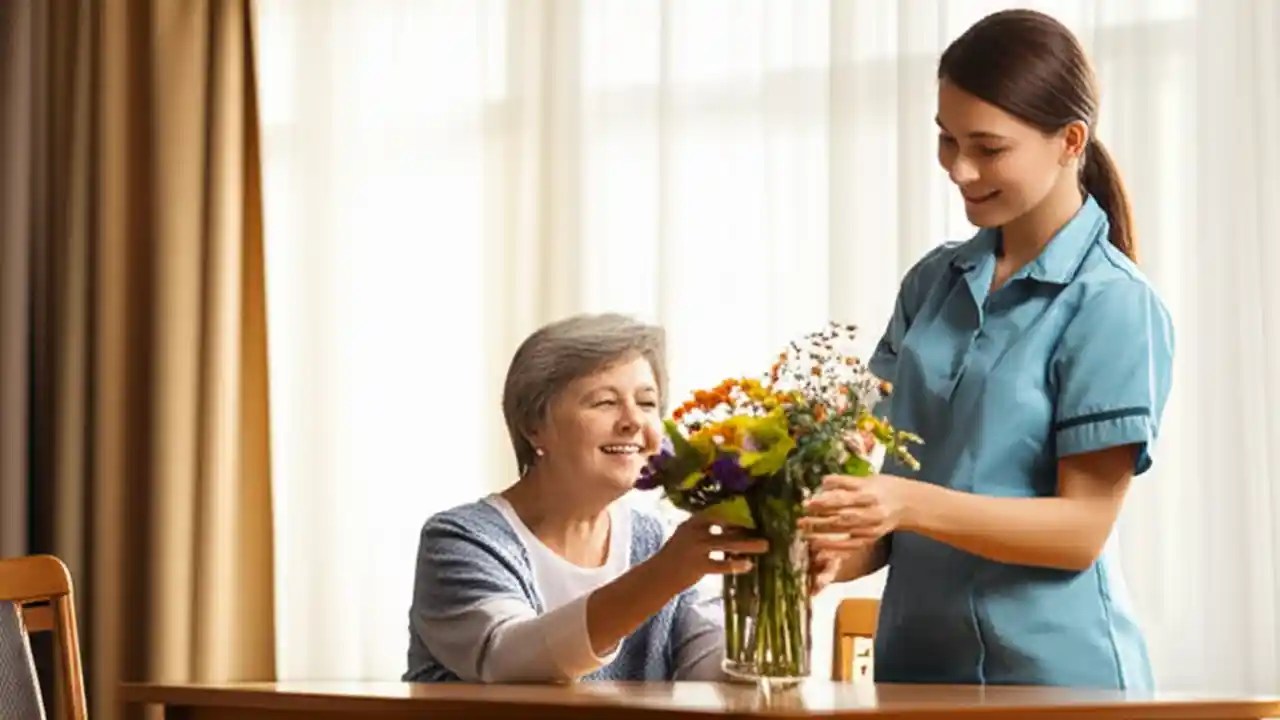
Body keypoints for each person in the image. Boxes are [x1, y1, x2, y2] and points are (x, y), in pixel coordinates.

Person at [802, 9, 1174, 690]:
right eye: (946, 140)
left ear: (1069, 141)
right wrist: (827, 552)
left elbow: (1080, 531)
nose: (961, 168)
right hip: (914, 676)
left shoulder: (1112, 303)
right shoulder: (932, 283)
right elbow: (889, 504)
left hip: (1059, 684)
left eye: (989, 146)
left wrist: (905, 503)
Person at [403, 313, 766, 683]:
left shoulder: (657, 541)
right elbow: (508, 659)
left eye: (646, 403)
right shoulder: (461, 540)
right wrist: (664, 574)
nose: (633, 422)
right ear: (534, 426)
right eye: (604, 402)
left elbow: (719, 670)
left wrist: (781, 573)